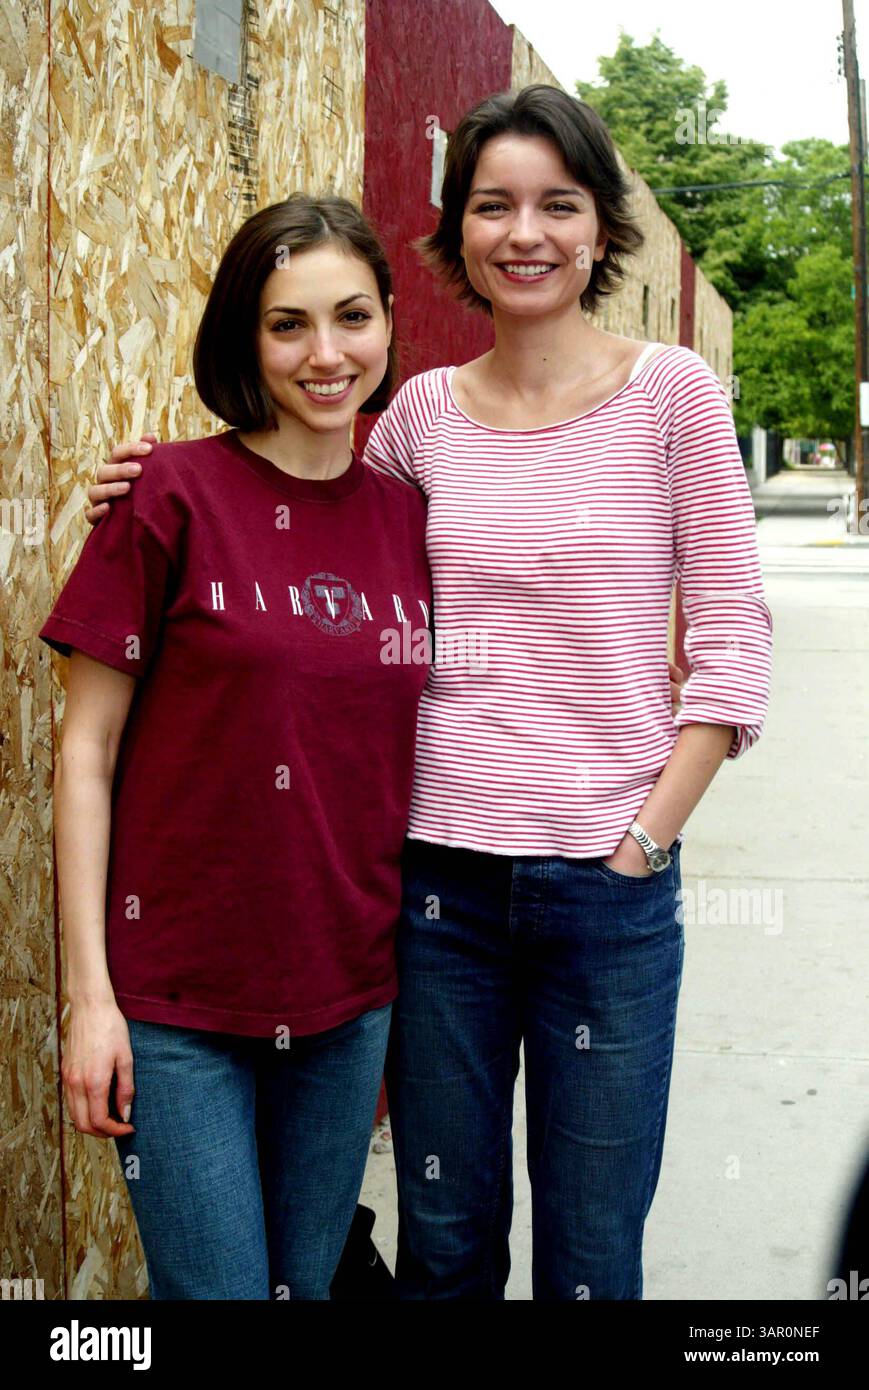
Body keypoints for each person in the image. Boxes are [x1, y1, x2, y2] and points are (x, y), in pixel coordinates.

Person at [87, 85, 765, 1301]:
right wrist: (149, 487)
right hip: (436, 893)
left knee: (591, 1252)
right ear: (453, 236)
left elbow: (729, 640)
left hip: (605, 899)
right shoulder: (420, 430)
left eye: (557, 205)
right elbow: (305, 509)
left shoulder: (673, 397)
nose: (525, 233)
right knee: (444, 1247)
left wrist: (641, 839)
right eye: (492, 205)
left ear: (600, 229)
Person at [41, 193, 432, 1300]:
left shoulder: (408, 517)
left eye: (351, 317)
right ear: (242, 338)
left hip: (345, 997)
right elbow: (86, 751)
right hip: (175, 1004)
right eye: (287, 324)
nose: (326, 354)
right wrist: (90, 1000)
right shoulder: (167, 494)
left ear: (389, 323)